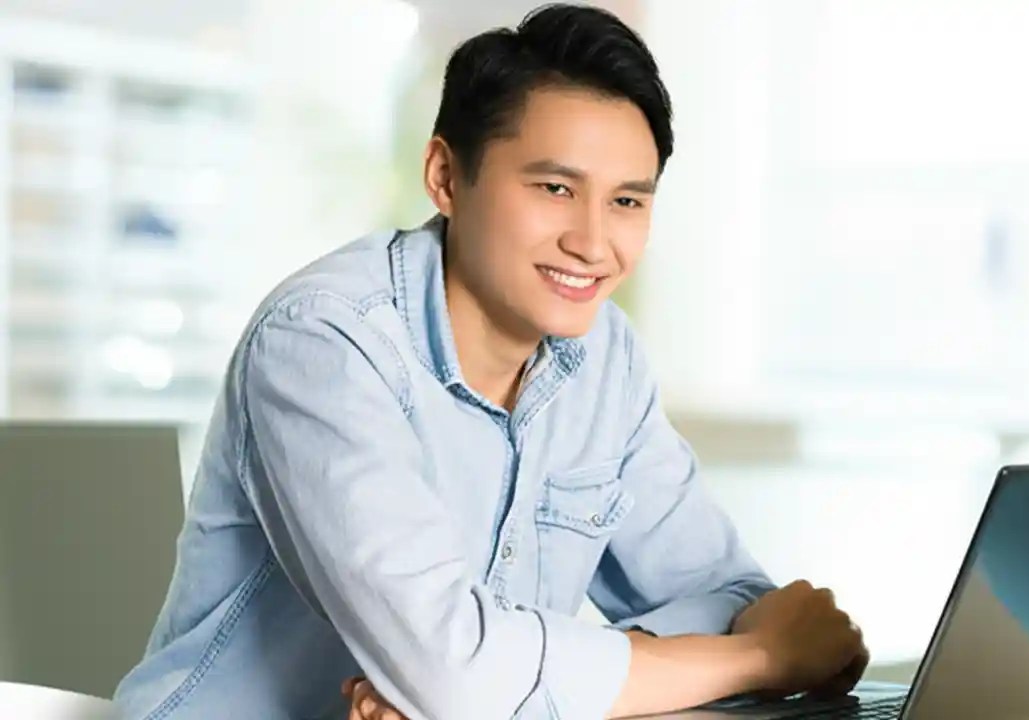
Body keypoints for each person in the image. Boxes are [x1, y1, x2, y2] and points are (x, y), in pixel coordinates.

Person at [113, 4, 868, 719]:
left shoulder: (603, 358)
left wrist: (497, 688)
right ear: (445, 176)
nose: (593, 242)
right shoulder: (324, 343)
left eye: (628, 202)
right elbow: (454, 671)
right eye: (554, 188)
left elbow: (728, 598)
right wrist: (762, 660)